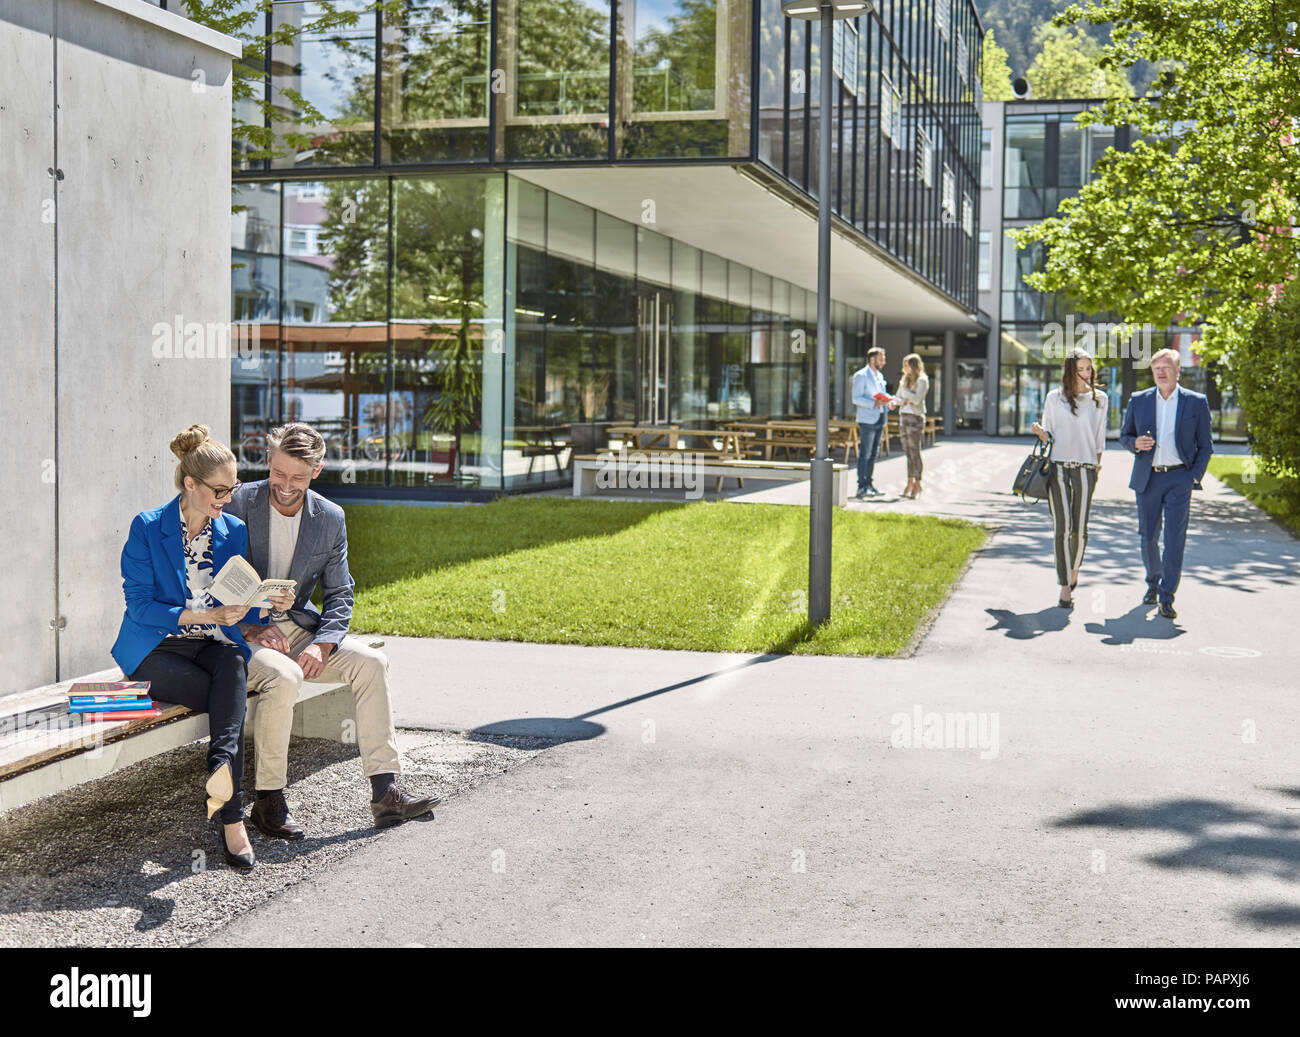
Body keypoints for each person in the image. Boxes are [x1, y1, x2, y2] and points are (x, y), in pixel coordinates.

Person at [223, 422, 441, 837]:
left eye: (299, 478)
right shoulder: (238, 503)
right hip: (242, 629)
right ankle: (268, 800)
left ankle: (385, 792)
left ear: (317, 470)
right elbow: (213, 578)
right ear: (268, 461)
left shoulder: (329, 518)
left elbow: (340, 593)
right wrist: (252, 626)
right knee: (284, 678)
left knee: (373, 663)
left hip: (299, 627)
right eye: (280, 473)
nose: (286, 486)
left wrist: (323, 645)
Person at [111, 424, 289, 870]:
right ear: (190, 484)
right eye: (219, 490)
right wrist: (206, 616)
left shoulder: (231, 530)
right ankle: (232, 820)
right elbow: (141, 608)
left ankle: (223, 782)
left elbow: (242, 609)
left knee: (231, 662)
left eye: (233, 489)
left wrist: (266, 605)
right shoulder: (148, 527)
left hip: (213, 644)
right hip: (156, 649)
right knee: (227, 693)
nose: (226, 499)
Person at [1118, 348, 1213, 619]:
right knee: (1148, 536)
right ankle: (1153, 583)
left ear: (1178, 371)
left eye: (1166, 367)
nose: (1160, 372)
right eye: (1156, 368)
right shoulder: (1139, 400)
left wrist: (1194, 475)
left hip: (1179, 478)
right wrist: (1134, 444)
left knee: (1174, 539)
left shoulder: (1196, 402)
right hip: (1147, 478)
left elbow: (1206, 446)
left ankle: (1167, 595)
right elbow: (1124, 435)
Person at [1031, 347, 1108, 609]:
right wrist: (1042, 434)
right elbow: (1049, 435)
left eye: (1088, 368)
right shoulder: (1055, 398)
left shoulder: (1100, 399)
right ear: (1070, 371)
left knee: (1080, 529)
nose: (1085, 374)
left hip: (1087, 469)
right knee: (1062, 528)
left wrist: (1097, 467)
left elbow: (1099, 438)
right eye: (1080, 369)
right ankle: (1065, 586)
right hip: (1058, 468)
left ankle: (1074, 569)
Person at [850, 347, 898, 498]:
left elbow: (882, 395)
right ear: (872, 359)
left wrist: (889, 401)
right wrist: (874, 403)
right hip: (867, 420)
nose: (884, 361)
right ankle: (861, 487)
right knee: (865, 454)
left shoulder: (879, 375)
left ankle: (869, 484)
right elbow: (856, 398)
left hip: (880, 419)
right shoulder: (861, 376)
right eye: (881, 358)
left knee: (873, 455)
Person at [895, 354, 929, 499]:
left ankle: (917, 483)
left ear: (914, 366)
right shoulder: (904, 380)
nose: (905, 368)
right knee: (907, 452)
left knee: (915, 451)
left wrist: (905, 395)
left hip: (915, 419)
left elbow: (916, 400)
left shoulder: (922, 380)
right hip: (903, 418)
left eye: (907, 365)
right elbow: (897, 400)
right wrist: (905, 399)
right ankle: (909, 482)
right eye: (904, 365)